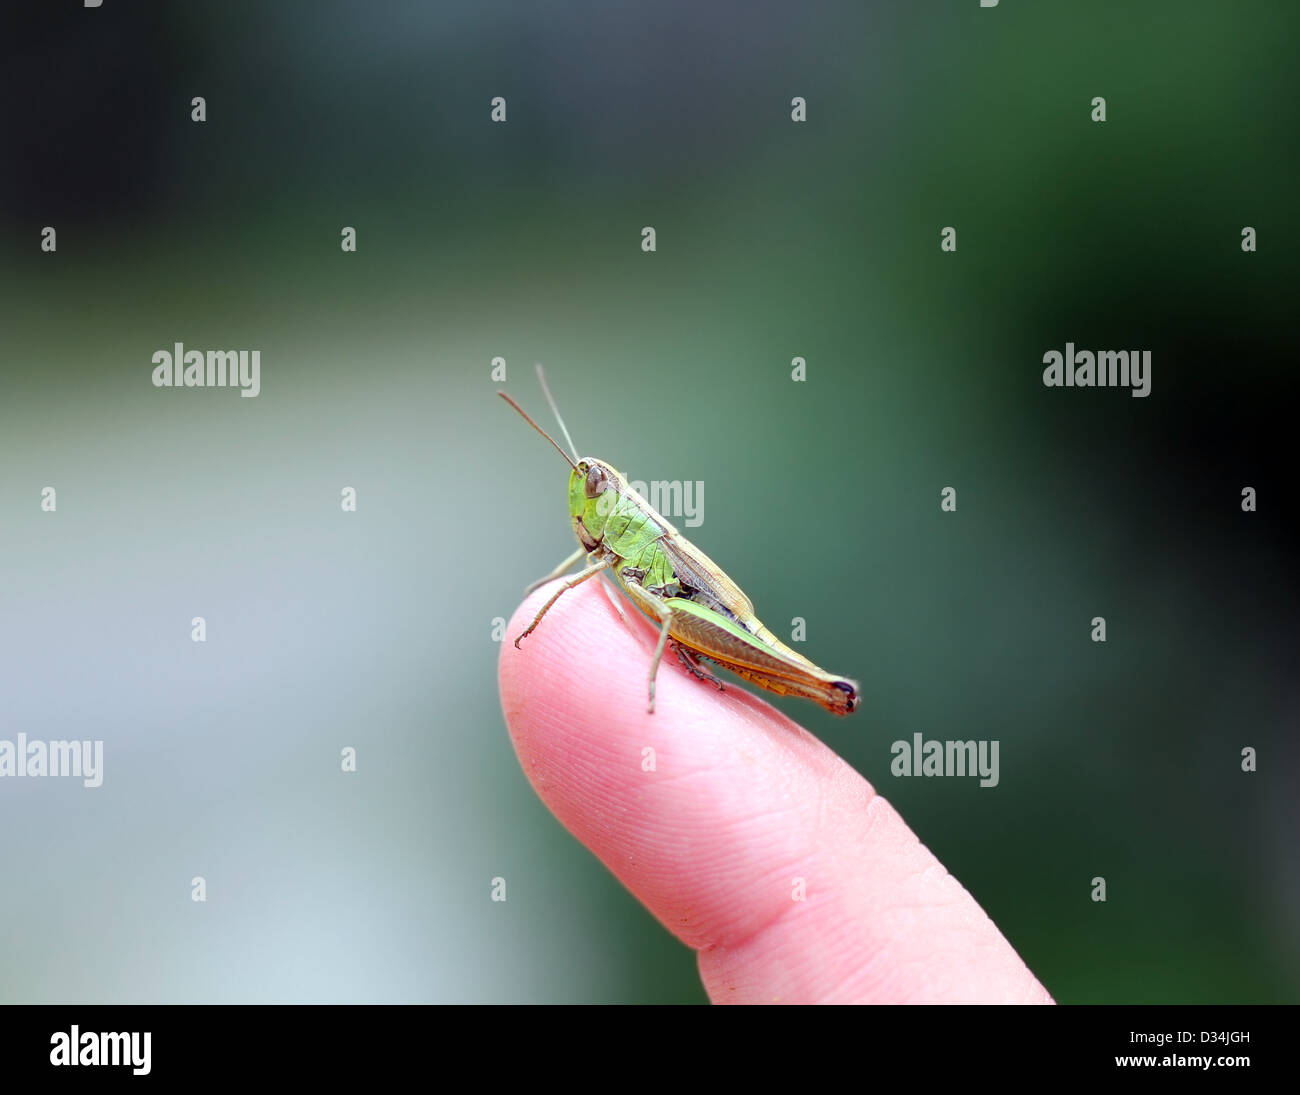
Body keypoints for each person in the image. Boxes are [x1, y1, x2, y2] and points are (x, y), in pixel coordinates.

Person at [499, 579, 1053, 1004]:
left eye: (597, 486)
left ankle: (819, 686)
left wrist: (651, 681)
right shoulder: (611, 553)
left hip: (716, 625)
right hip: (693, 619)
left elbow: (665, 605)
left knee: (672, 618)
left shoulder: (641, 540)